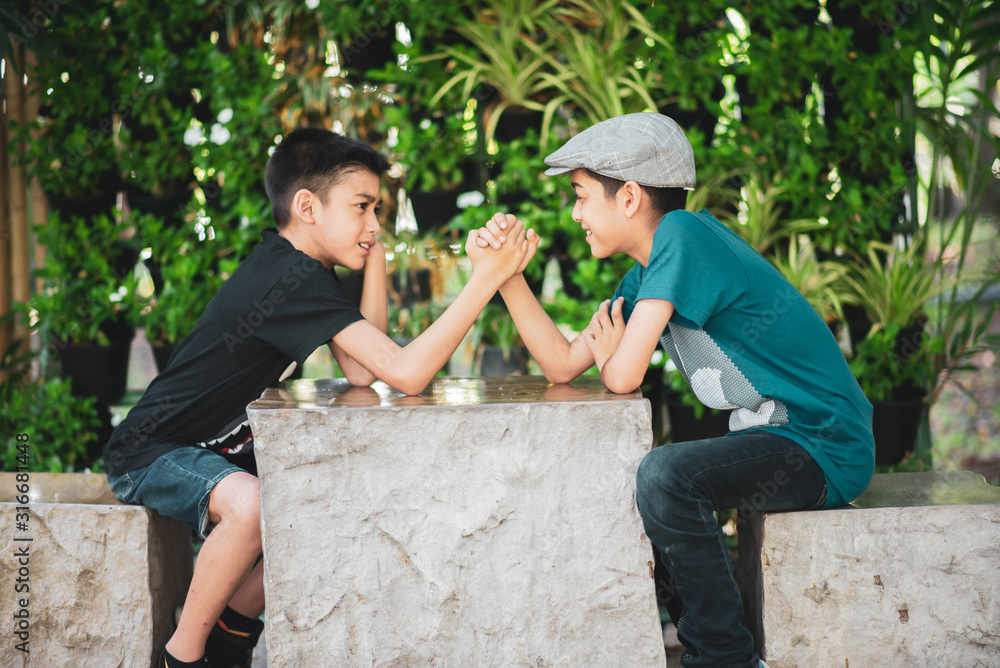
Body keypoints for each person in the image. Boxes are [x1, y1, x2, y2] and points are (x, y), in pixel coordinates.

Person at [103, 127, 529, 668]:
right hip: (150, 451)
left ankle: (232, 632)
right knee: (254, 506)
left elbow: (359, 367)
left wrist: (372, 254)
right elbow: (405, 372)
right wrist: (483, 280)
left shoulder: (301, 267)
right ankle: (182, 655)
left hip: (209, 446)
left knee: (323, 493)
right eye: (362, 208)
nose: (374, 223)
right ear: (307, 205)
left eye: (377, 210)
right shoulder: (290, 277)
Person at [472, 112, 874, 668]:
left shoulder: (684, 237)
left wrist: (614, 361)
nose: (575, 213)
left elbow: (622, 374)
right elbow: (565, 363)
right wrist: (505, 275)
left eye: (582, 196)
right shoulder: (643, 275)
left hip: (822, 444)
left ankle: (724, 658)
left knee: (666, 476)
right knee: (650, 483)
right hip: (783, 444)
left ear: (630, 197)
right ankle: (717, 647)